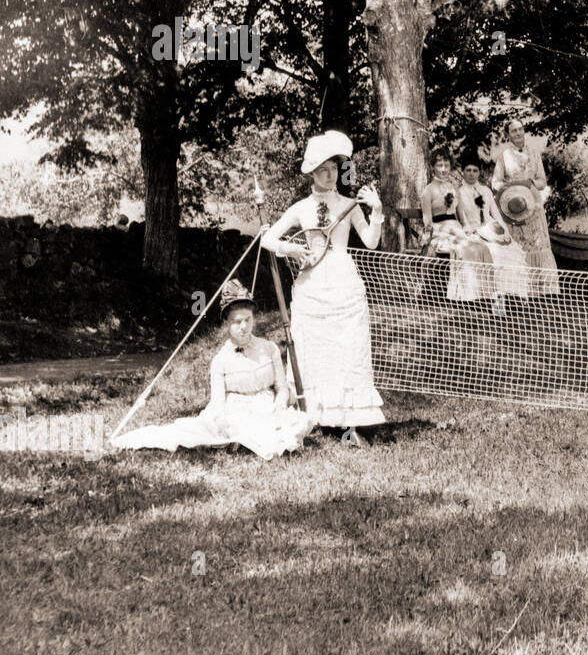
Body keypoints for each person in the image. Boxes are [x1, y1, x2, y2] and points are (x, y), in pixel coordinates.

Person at [261, 130, 386, 439]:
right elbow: (268, 238)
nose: (330, 175)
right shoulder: (300, 208)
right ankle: (314, 415)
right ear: (312, 174)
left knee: (347, 348)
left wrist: (377, 210)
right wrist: (292, 249)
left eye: (334, 169)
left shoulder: (350, 203)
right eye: (323, 170)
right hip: (312, 284)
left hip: (343, 280)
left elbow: (370, 242)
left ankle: (349, 421)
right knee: (314, 349)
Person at [111, 280, 313, 460]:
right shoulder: (220, 361)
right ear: (226, 323)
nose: (243, 326)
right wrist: (225, 423)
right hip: (237, 411)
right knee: (204, 431)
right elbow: (218, 403)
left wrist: (278, 407)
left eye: (247, 320)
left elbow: (282, 387)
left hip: (268, 406)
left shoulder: (269, 348)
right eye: (236, 322)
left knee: (293, 424)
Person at [490, 119, 560, 296]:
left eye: (520, 129)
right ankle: (519, 291)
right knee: (518, 249)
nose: (518, 133)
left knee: (539, 246)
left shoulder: (534, 153)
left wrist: (529, 183)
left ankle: (543, 292)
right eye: (513, 131)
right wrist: (510, 188)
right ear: (508, 135)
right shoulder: (504, 156)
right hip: (513, 209)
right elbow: (495, 183)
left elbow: (542, 182)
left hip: (533, 208)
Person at [419, 149, 495, 302]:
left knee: (480, 247)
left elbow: (462, 217)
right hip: (440, 230)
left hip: (456, 229)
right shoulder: (428, 190)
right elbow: (427, 221)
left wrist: (467, 228)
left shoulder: (454, 188)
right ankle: (462, 295)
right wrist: (437, 233)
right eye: (439, 165)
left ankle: (481, 294)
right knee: (461, 249)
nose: (443, 169)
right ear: (433, 167)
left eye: (446, 165)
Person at [456, 151, 530, 306]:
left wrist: (506, 235)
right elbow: (464, 221)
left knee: (511, 250)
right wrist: (475, 231)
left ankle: (512, 297)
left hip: (491, 230)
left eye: (475, 170)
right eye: (468, 170)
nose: (471, 174)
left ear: (479, 172)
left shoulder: (486, 191)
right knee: (493, 253)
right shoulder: (459, 192)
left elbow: (497, 216)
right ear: (462, 171)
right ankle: (495, 302)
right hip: (473, 231)